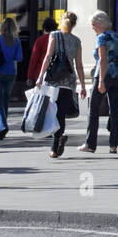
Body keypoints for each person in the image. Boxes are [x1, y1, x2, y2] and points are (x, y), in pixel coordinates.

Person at [37, 11, 86, 158]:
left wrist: (40, 77)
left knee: (52, 113)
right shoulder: (77, 41)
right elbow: (79, 66)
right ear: (74, 24)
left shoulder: (54, 36)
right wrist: (83, 85)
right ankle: (57, 141)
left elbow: (47, 57)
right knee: (61, 114)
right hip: (68, 82)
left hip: (53, 80)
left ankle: (55, 144)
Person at [80, 11, 118, 154]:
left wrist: (101, 81)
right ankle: (114, 145)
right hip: (117, 75)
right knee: (115, 110)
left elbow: (103, 59)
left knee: (93, 109)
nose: (92, 27)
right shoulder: (117, 36)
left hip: (104, 75)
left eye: (93, 24)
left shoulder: (101, 38)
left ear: (100, 24)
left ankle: (90, 144)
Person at [26, 17, 58, 87]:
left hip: (41, 74)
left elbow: (34, 60)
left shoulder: (40, 40)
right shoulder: (58, 40)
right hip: (57, 73)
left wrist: (30, 76)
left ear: (44, 28)